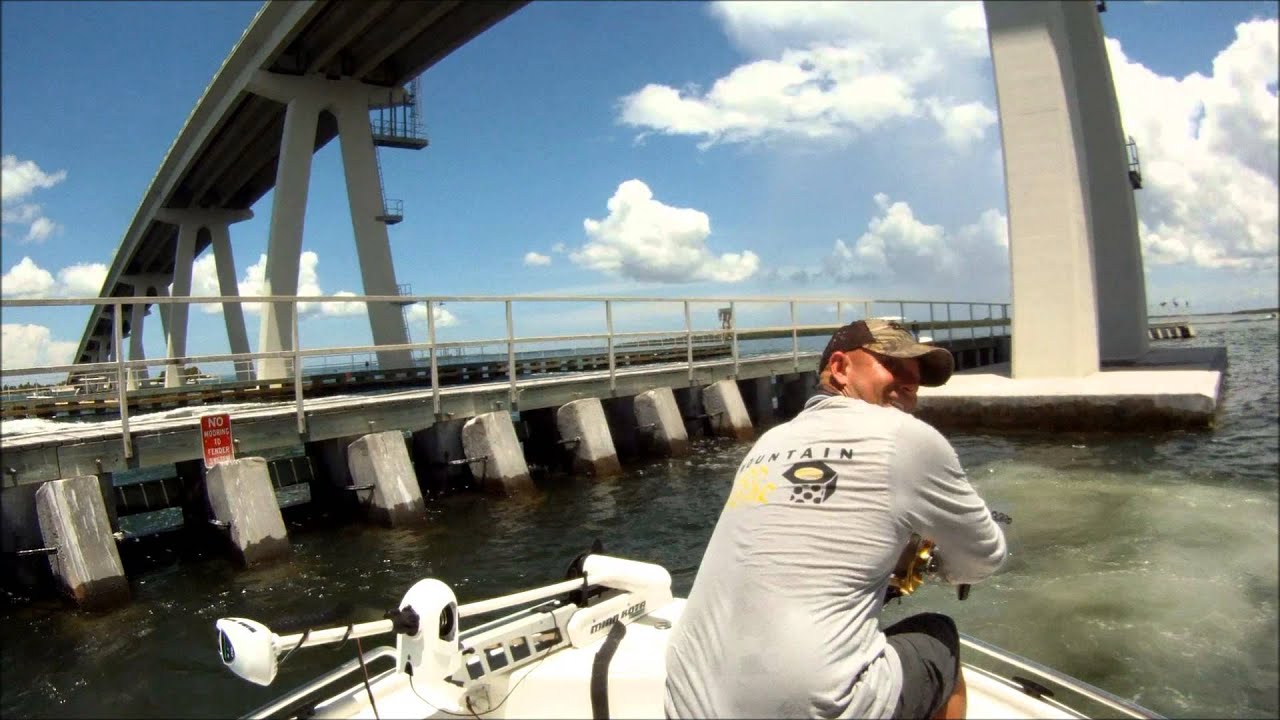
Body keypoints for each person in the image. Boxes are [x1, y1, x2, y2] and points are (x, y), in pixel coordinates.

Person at [664, 319, 1008, 719]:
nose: (910, 382)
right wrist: (945, 567)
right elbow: (984, 557)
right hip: (810, 707)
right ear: (841, 368)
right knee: (939, 636)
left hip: (688, 700)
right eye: (893, 365)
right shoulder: (904, 436)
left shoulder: (769, 442)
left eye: (916, 377)